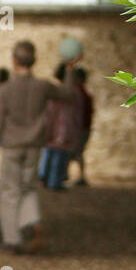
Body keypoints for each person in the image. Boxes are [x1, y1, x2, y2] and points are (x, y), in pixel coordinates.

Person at [0, 40, 81, 255]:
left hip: (12, 146)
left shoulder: (6, 90)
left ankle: (12, 240)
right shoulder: (42, 86)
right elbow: (69, 94)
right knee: (28, 188)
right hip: (35, 146)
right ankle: (33, 222)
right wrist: (70, 68)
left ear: (13, 60)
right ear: (35, 61)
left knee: (10, 192)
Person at [37, 62, 83, 191]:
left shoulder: (54, 91)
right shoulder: (73, 94)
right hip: (64, 128)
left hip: (54, 128)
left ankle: (45, 176)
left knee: (51, 153)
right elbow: (76, 114)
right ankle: (54, 180)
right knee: (59, 155)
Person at [69, 66, 94, 186]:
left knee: (76, 152)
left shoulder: (79, 94)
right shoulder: (84, 94)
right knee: (77, 152)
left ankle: (80, 176)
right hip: (83, 127)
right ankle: (79, 175)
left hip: (79, 128)